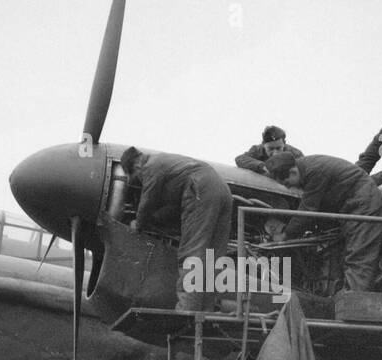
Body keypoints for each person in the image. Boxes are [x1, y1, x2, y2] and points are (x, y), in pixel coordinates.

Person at [122, 146, 234, 312]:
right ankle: (208, 310)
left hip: (200, 189)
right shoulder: (168, 162)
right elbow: (174, 206)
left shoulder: (150, 166)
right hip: (223, 190)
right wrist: (156, 220)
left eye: (135, 177)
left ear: (136, 166)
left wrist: (138, 225)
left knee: (192, 253)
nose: (139, 179)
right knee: (213, 257)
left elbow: (148, 199)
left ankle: (186, 311)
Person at [265, 151, 382, 292]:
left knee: (359, 259)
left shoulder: (315, 171)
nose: (288, 187)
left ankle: (353, 307)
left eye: (286, 183)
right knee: (345, 256)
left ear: (293, 172)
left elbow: (308, 209)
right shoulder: (305, 168)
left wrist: (285, 234)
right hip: (351, 207)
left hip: (364, 206)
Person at [234, 124, 303, 176]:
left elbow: (304, 169)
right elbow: (240, 159)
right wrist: (262, 166)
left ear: (284, 144)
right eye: (271, 149)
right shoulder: (257, 150)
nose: (275, 153)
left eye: (278, 148)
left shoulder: (295, 154)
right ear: (263, 144)